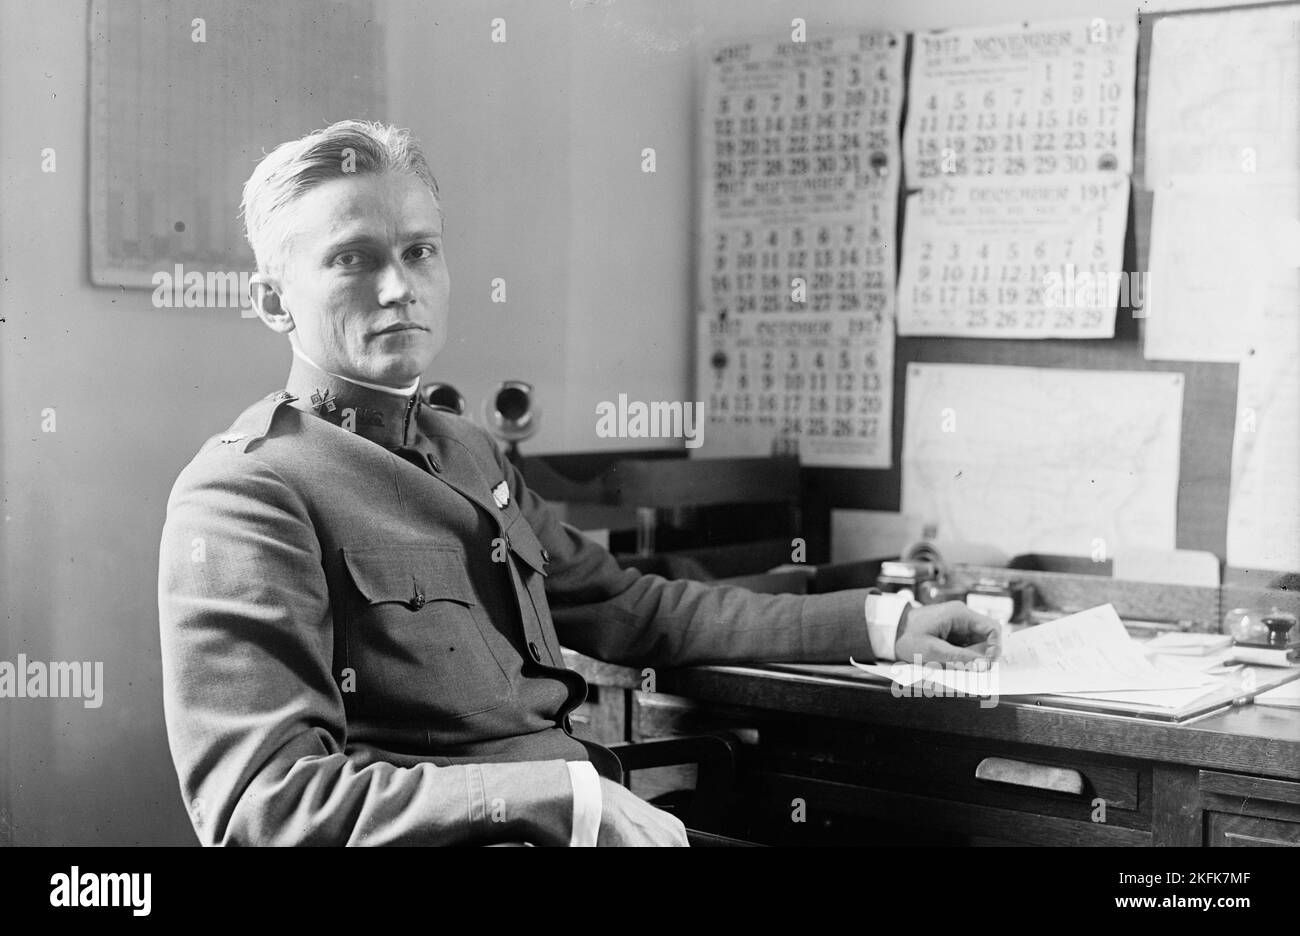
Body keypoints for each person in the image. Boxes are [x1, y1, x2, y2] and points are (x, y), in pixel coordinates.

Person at [157, 119, 1000, 847]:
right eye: (353, 259)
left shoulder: (468, 453)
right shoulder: (249, 495)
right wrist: (560, 796)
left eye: (420, 251)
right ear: (274, 302)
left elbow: (635, 609)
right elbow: (263, 812)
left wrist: (885, 624)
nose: (398, 288)